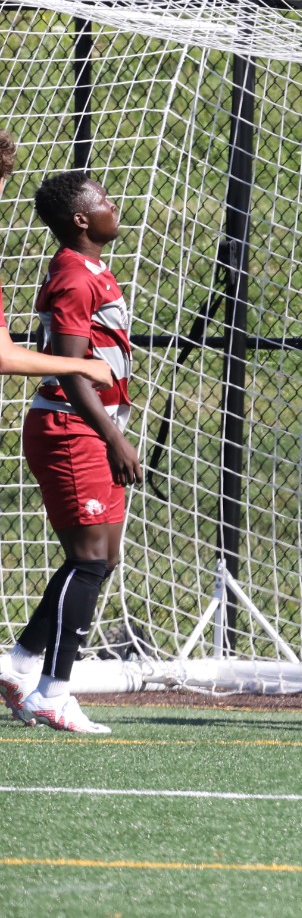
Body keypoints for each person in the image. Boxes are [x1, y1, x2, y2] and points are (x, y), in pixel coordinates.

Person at [0, 157, 129, 735]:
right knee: (89, 560)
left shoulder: (93, 269)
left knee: (103, 559)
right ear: (81, 218)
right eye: (104, 200)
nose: (114, 207)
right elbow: (75, 370)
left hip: (94, 425)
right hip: (72, 427)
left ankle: (21, 661)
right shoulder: (75, 274)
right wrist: (113, 437)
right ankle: (55, 690)